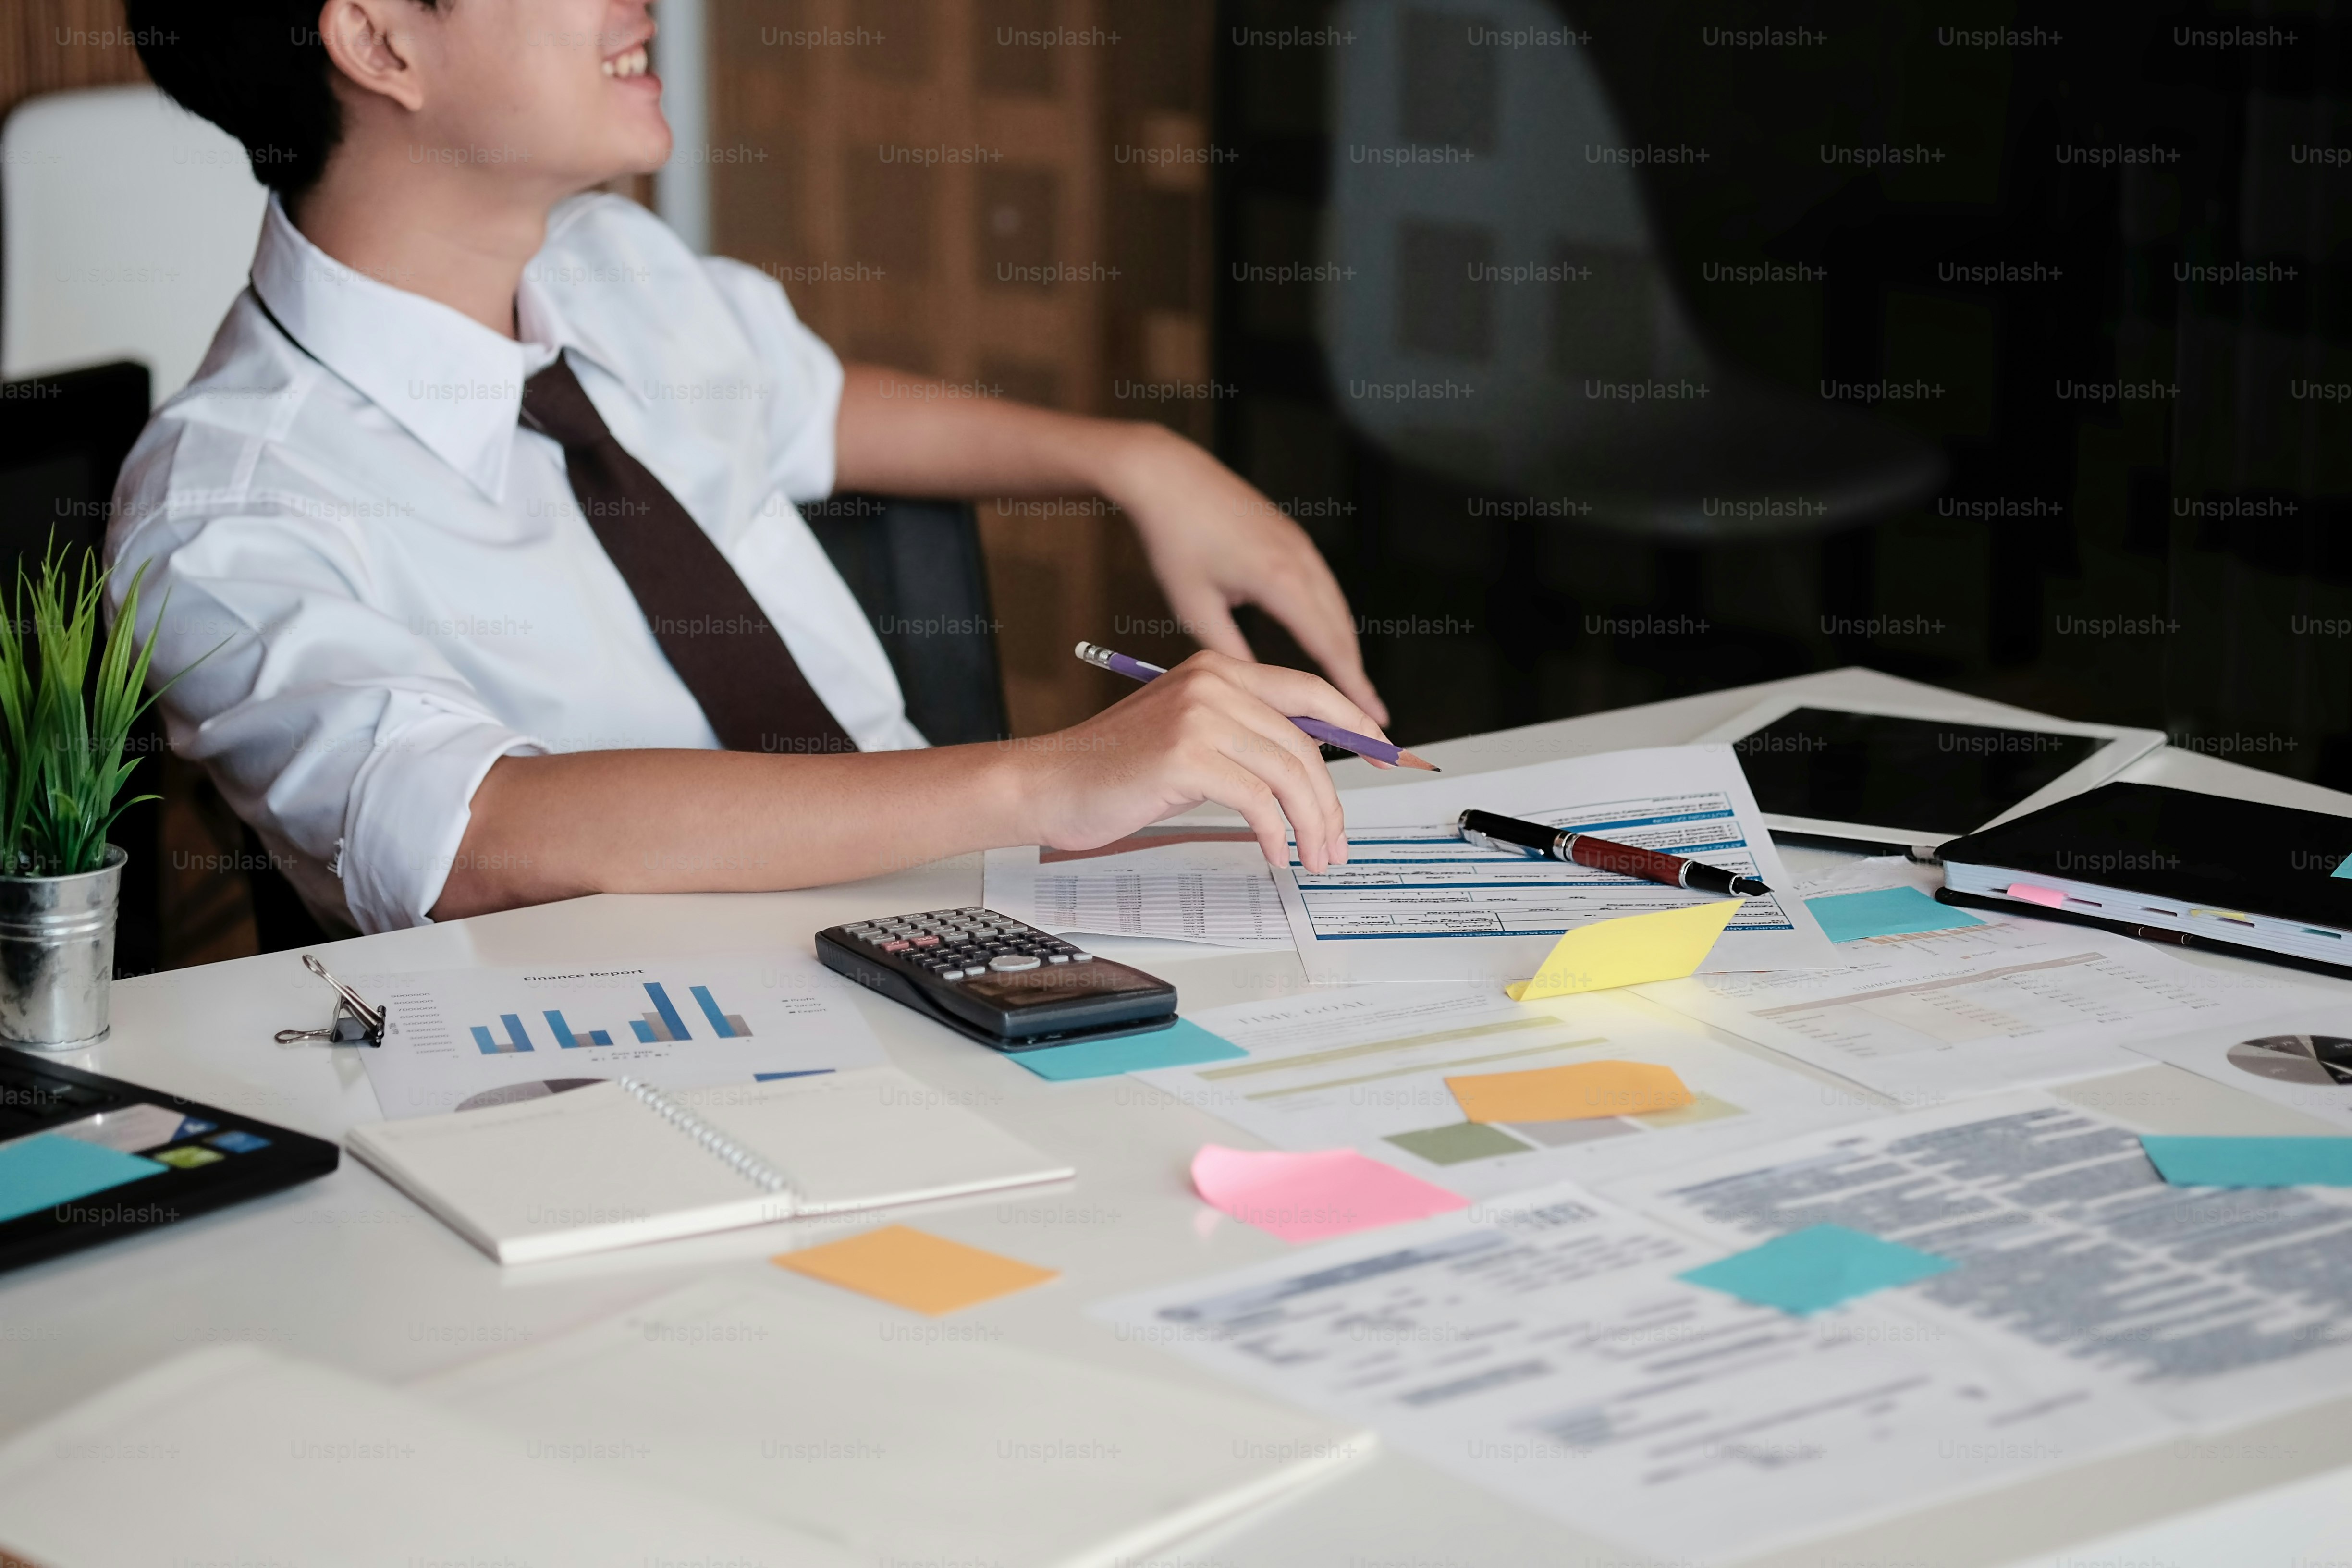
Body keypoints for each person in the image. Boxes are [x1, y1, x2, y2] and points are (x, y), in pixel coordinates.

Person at [116, 0, 1388, 936]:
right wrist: (1047, 777)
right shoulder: (226, 506)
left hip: (1003, 918)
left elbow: (823, 409)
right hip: (688, 1070)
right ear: (381, 42)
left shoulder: (613, 268)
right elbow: (469, 836)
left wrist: (1134, 458)